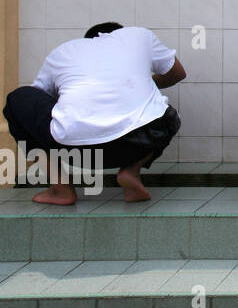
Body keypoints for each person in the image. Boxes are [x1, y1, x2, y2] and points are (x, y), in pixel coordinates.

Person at [3, 22, 185, 204]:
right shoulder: (139, 36)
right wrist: (143, 84)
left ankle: (61, 188)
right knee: (165, 114)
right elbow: (177, 73)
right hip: (138, 144)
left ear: (88, 40)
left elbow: (40, 99)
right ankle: (131, 171)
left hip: (73, 149)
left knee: (17, 100)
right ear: (118, 34)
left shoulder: (64, 51)